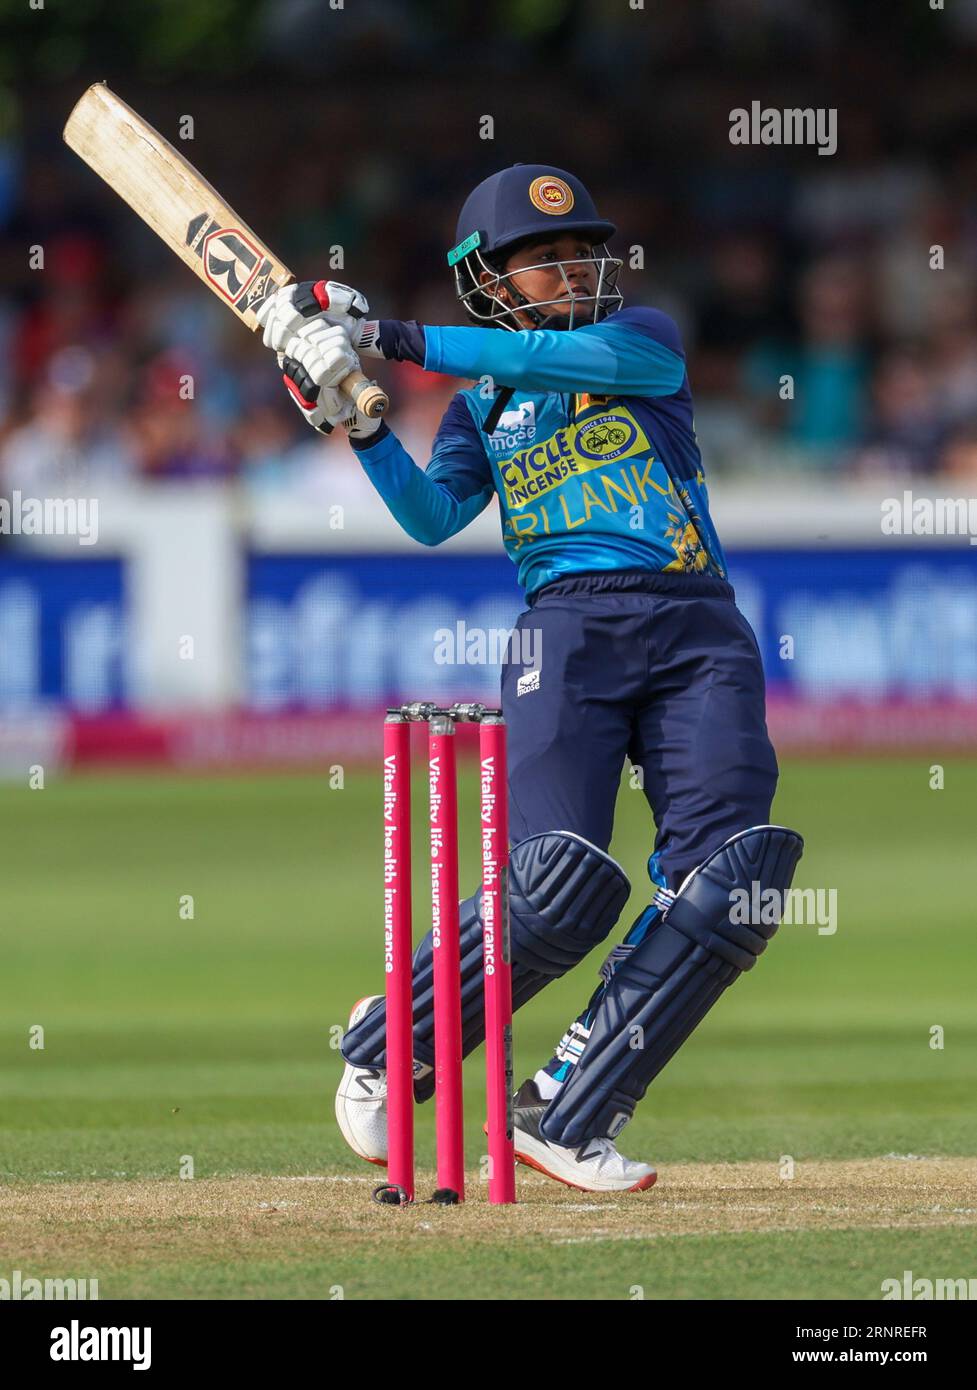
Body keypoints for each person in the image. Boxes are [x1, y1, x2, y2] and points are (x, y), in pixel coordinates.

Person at [257, 164, 803, 1194]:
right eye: (540, 260)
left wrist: (384, 338)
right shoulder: (480, 409)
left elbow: (557, 352)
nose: (567, 270)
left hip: (696, 624)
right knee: (558, 882)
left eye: (574, 251)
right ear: (487, 281)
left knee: (738, 879)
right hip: (566, 634)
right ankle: (390, 1045)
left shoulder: (641, 342)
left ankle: (565, 1111)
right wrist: (358, 420)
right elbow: (427, 518)